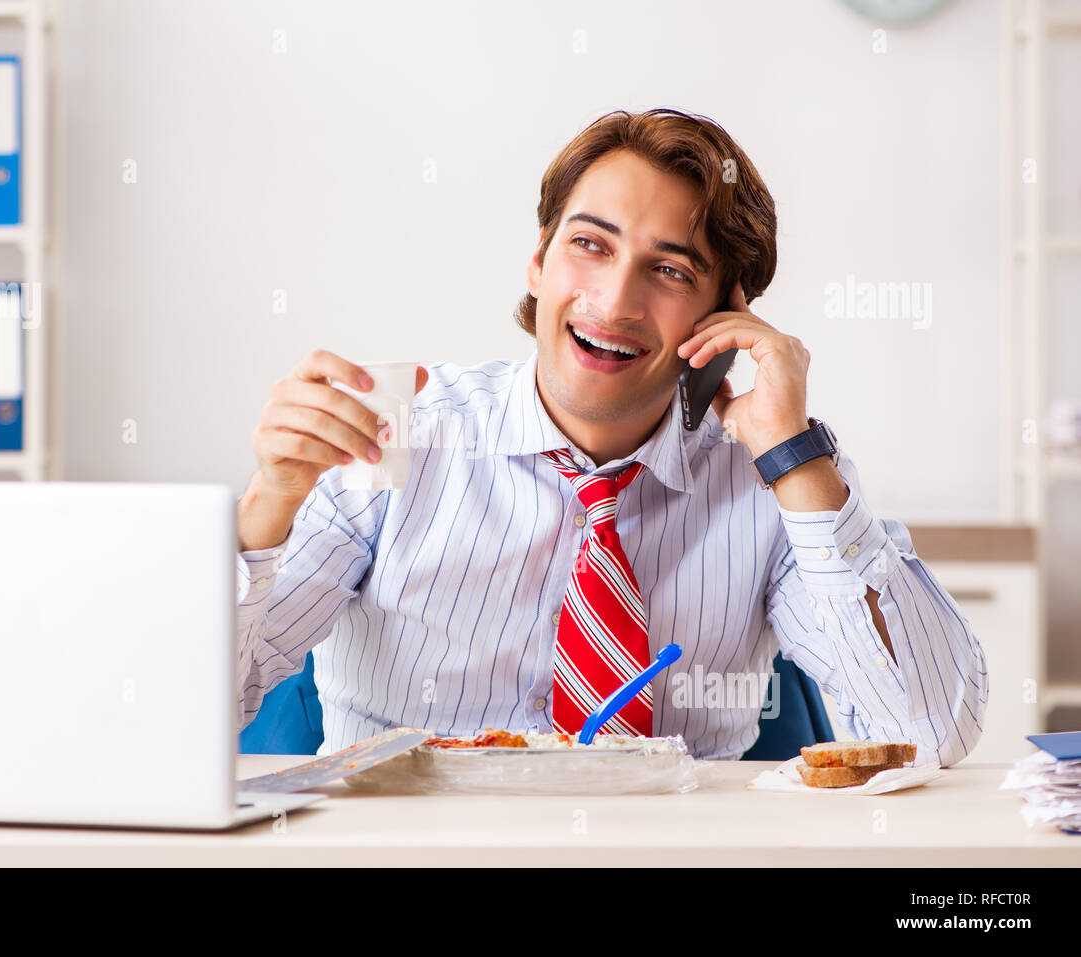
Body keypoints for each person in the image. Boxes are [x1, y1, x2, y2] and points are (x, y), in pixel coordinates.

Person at [234, 108, 987, 765]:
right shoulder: (394, 435)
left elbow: (928, 729)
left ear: (725, 317)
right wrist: (270, 501)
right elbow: (196, 709)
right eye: (590, 246)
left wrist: (791, 455)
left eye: (667, 268)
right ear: (538, 261)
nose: (615, 299)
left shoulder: (772, 474)